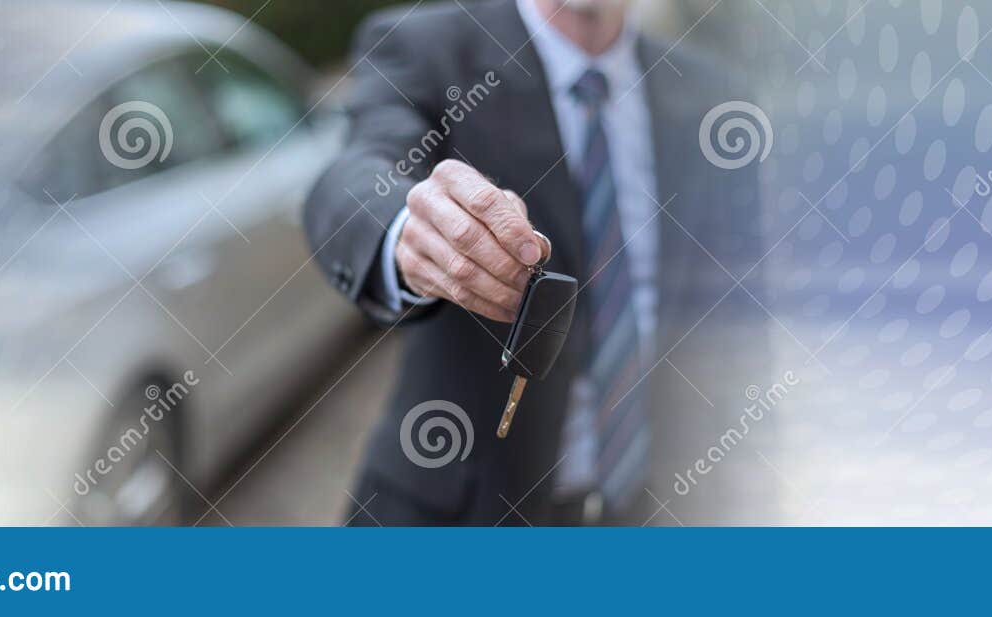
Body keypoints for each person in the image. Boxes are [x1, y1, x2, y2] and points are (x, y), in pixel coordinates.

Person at [306, 0, 768, 525]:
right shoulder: (429, 49)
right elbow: (357, 173)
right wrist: (408, 229)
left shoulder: (715, 96)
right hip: (463, 511)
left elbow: (740, 316)